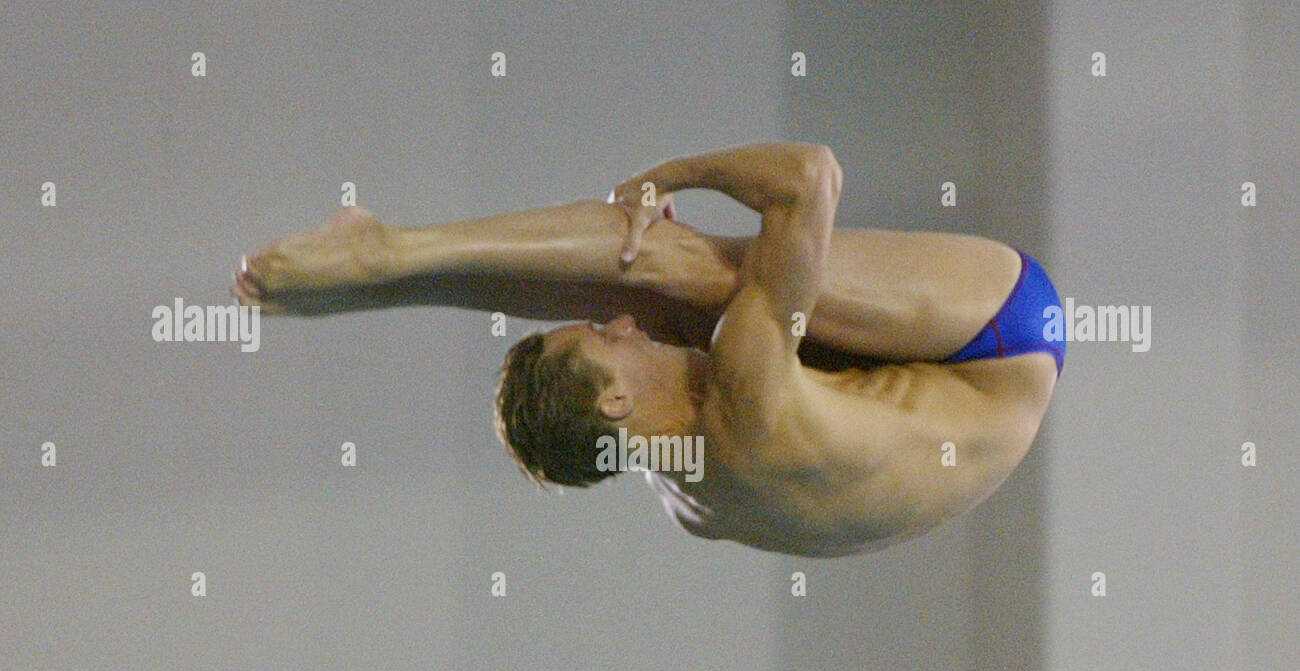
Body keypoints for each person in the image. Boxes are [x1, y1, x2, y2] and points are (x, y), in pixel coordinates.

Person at [233, 143, 1063, 557]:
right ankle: (390, 256)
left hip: (896, 416)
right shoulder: (748, 392)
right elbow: (811, 176)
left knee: (665, 296)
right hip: (1003, 337)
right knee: (682, 267)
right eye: (603, 342)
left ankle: (387, 276)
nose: (620, 329)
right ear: (616, 403)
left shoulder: (685, 500)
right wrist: (663, 180)